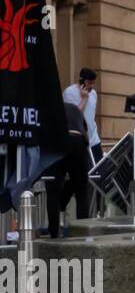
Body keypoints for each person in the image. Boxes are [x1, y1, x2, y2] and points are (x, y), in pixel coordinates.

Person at [44, 100, 91, 238]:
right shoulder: (74, 109)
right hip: (77, 140)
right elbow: (85, 132)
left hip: (57, 143)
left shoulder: (48, 109)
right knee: (82, 190)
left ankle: (53, 232)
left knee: (52, 190)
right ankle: (83, 231)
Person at [62, 67, 102, 166]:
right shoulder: (69, 93)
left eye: (93, 83)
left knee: (100, 172)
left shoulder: (93, 93)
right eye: (89, 83)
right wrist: (84, 99)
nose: (92, 86)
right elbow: (73, 116)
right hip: (79, 141)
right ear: (81, 81)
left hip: (94, 140)